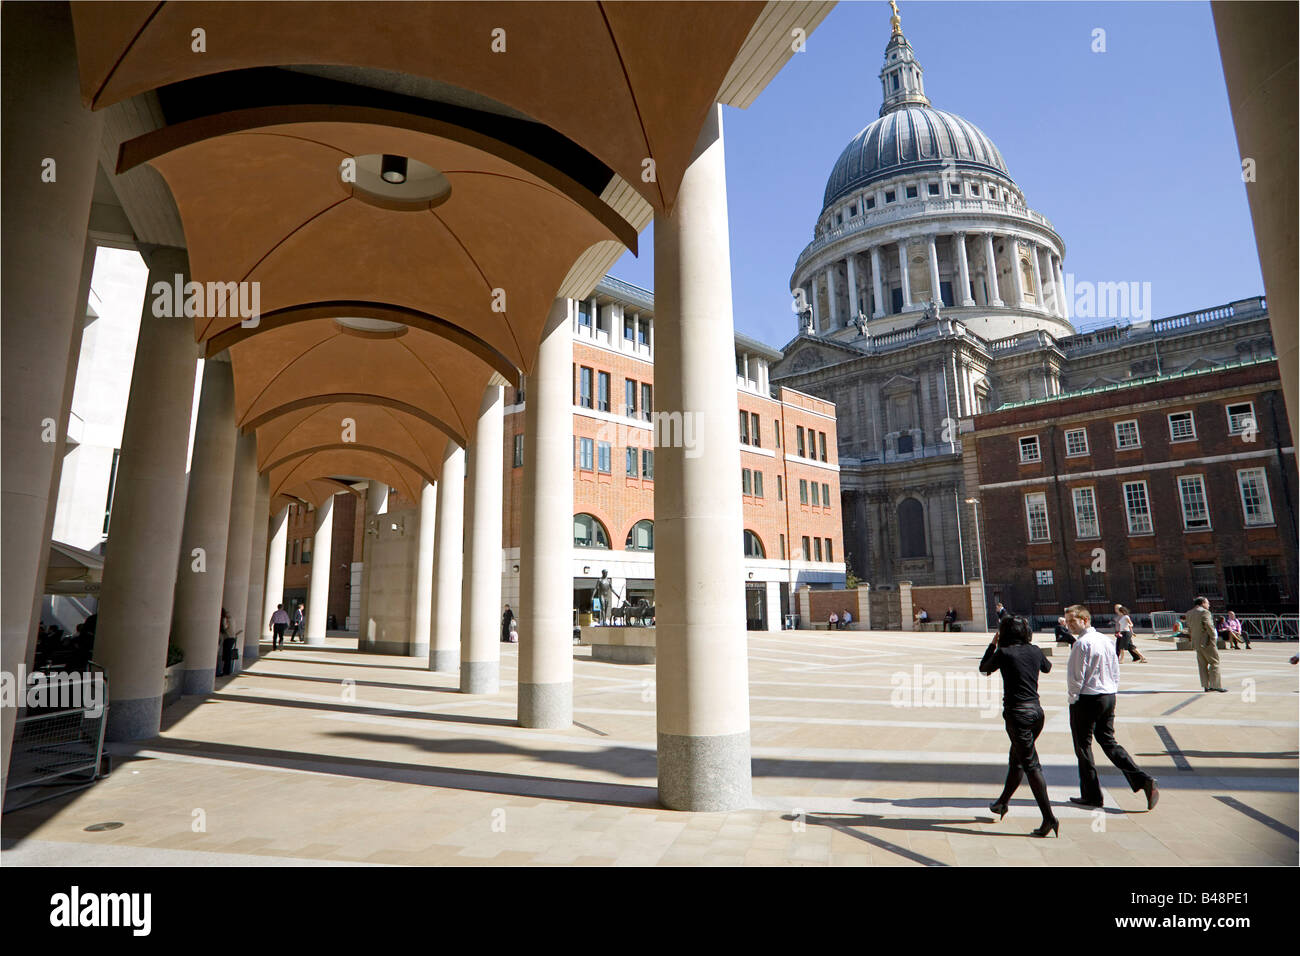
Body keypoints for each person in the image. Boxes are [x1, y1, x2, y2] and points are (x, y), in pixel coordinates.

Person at [1064, 604, 1159, 810]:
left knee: (1083, 746)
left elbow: (1075, 677)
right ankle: (1142, 779)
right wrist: (1112, 689)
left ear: (1085, 620)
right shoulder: (1105, 640)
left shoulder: (1081, 644)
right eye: (1068, 621)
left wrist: (1073, 699)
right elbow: (1115, 667)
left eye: (1073, 621)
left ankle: (1092, 795)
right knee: (1108, 741)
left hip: (1087, 698)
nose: (1069, 625)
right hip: (1108, 695)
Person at [980, 615, 1058, 837]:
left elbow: (984, 668)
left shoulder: (1004, 653)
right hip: (1037, 713)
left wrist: (993, 644)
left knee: (1031, 765)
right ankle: (1002, 803)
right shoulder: (1033, 650)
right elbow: (1048, 668)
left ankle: (1049, 818)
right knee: (1017, 760)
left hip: (1017, 715)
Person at [1187, 596, 1225, 692]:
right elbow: (1209, 626)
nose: (1209, 605)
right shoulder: (1205, 612)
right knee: (1214, 663)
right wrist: (1213, 637)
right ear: (1203, 603)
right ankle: (1215, 685)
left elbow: (1190, 628)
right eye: (1207, 603)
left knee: (1202, 664)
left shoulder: (1189, 613)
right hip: (1206, 642)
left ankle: (1205, 685)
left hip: (1196, 642)